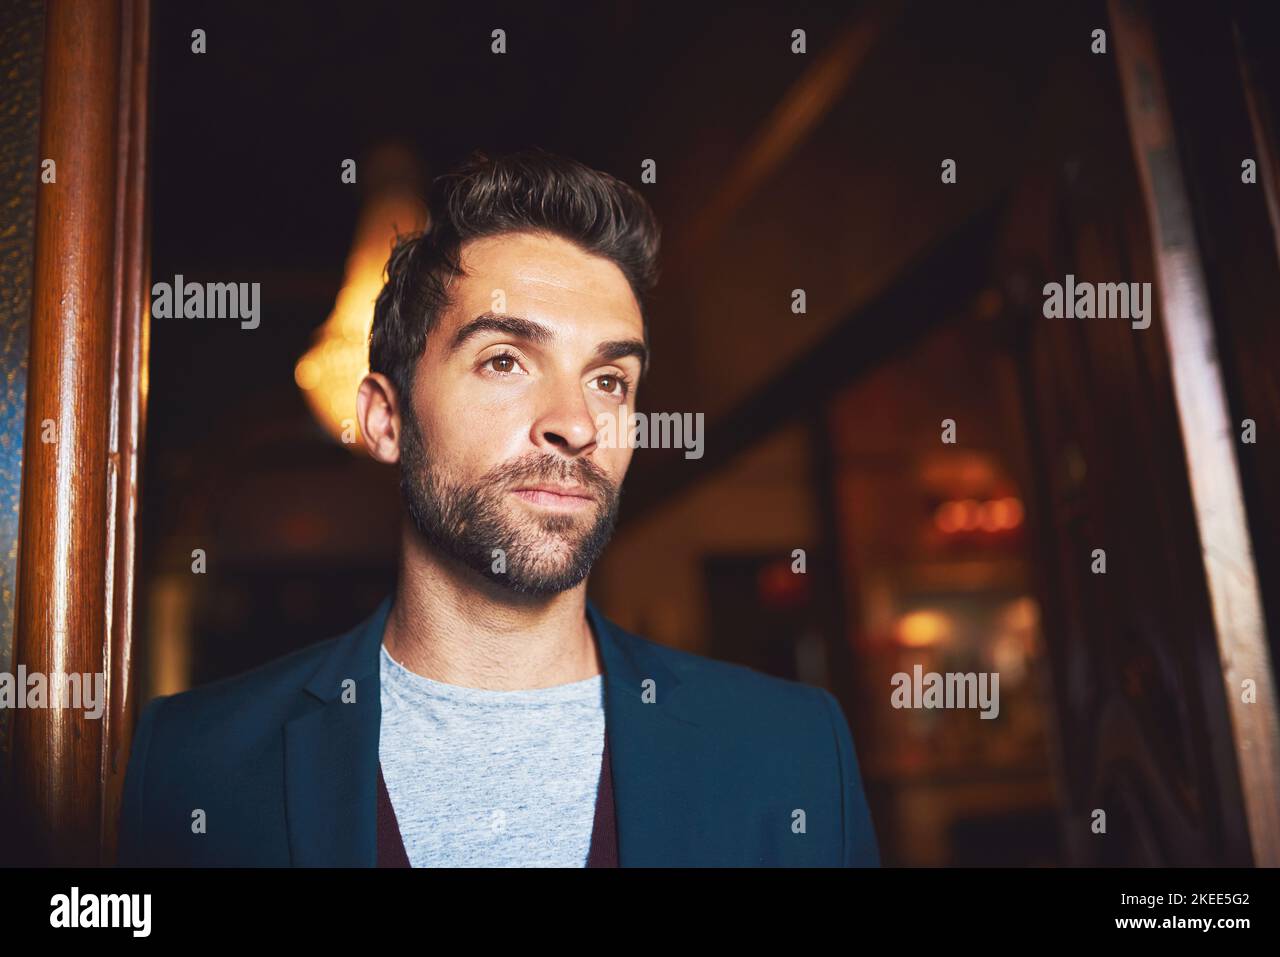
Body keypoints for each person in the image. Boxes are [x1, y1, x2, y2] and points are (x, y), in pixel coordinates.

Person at [117, 147, 880, 867]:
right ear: (385, 420)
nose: (576, 422)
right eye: (506, 360)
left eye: (610, 379)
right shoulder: (193, 766)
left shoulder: (794, 754)